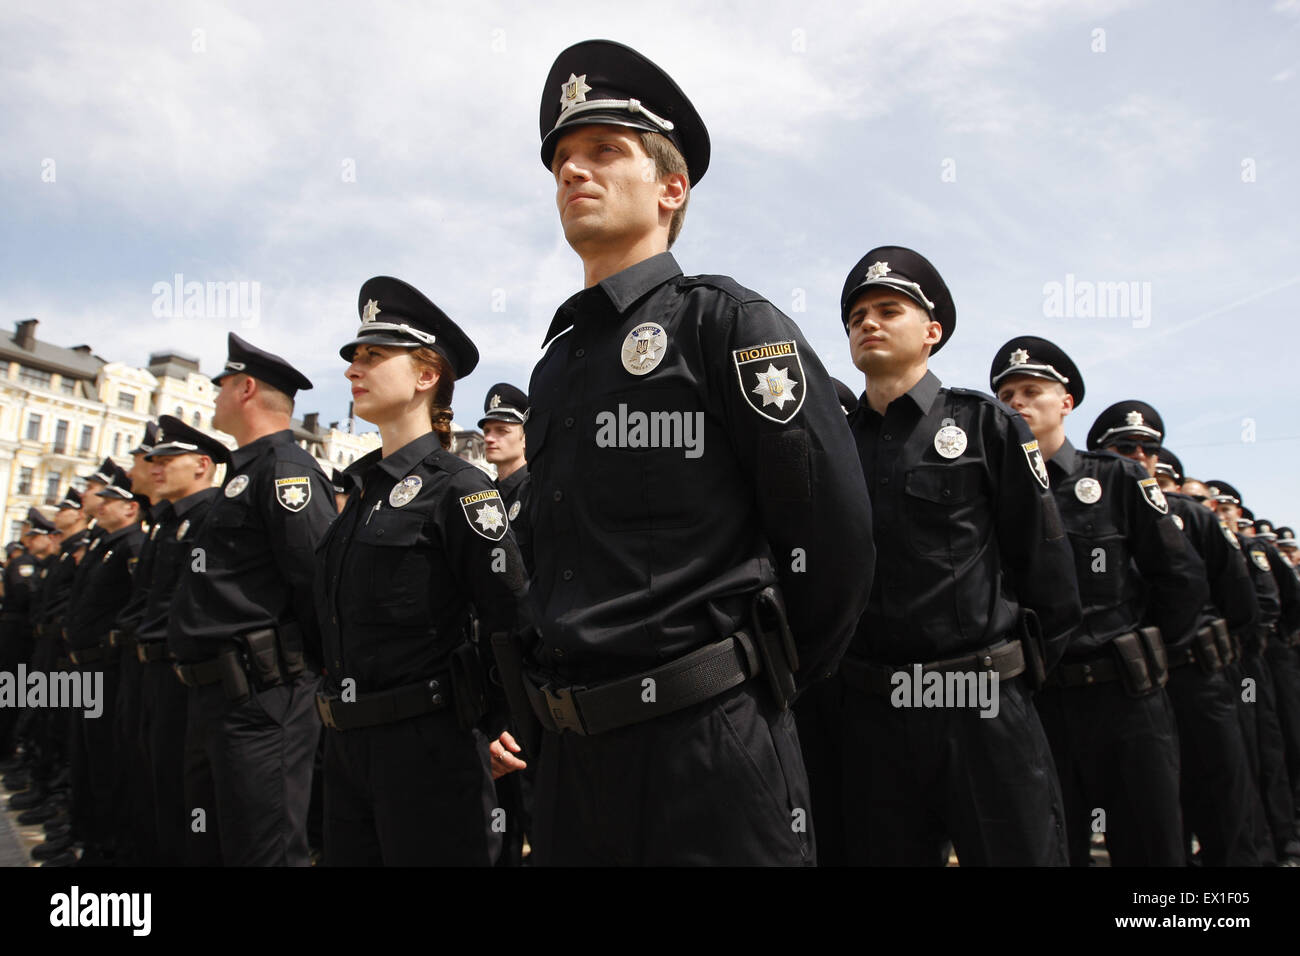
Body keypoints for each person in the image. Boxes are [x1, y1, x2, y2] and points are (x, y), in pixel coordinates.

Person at [511, 39, 875, 866]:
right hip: (575, 762)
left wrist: (752, 681)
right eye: (562, 159)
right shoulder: (556, 364)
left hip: (707, 747)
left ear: (671, 188)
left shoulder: (726, 325)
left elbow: (836, 540)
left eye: (605, 151)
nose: (574, 172)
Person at [837, 247, 1080, 866]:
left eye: (889, 309)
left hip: (979, 704)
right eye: (857, 315)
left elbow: (1047, 573)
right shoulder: (833, 444)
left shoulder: (985, 425)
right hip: (872, 716)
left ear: (932, 330)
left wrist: (1013, 687)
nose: (869, 322)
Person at [312, 276, 528, 865]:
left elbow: (511, 613)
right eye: (354, 356)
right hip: (345, 745)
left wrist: (497, 721)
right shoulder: (359, 490)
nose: (354, 368)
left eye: (373, 356)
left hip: (428, 748)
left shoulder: (460, 488)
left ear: (427, 375)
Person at [992, 349, 1200, 866]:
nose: (1018, 403)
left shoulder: (1115, 479)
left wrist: (1147, 651)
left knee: (1150, 845)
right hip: (1043, 701)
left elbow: (1180, 579)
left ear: (1065, 402)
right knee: (1052, 846)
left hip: (1125, 698)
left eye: (1031, 392)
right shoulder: (993, 487)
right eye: (1006, 396)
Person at [167, 332, 335, 866]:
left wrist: (300, 677)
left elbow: (318, 584)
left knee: (264, 850)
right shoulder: (246, 473)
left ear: (244, 388)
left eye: (220, 386)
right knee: (218, 842)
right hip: (220, 694)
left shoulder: (287, 471)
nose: (213, 397)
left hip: (265, 695)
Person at [136, 415, 229, 866]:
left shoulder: (212, 517)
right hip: (156, 665)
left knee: (185, 793)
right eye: (153, 459)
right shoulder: (171, 521)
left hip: (187, 671)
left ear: (201, 465)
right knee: (154, 778)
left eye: (167, 458)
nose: (156, 467)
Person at [1205, 479, 1300, 862]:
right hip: (1214, 662)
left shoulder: (1253, 548)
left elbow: (1287, 601)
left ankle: (1284, 836)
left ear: (1237, 513)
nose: (1219, 514)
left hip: (1258, 658)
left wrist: (1272, 639)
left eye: (1226, 508)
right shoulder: (1198, 547)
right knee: (1233, 754)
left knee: (1269, 743)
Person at [62, 468, 146, 865]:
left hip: (108, 668)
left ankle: (107, 844)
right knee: (84, 753)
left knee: (105, 759)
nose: (101, 505)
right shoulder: (105, 543)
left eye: (110, 500)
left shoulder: (133, 544)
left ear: (130, 510)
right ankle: (85, 833)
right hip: (86, 665)